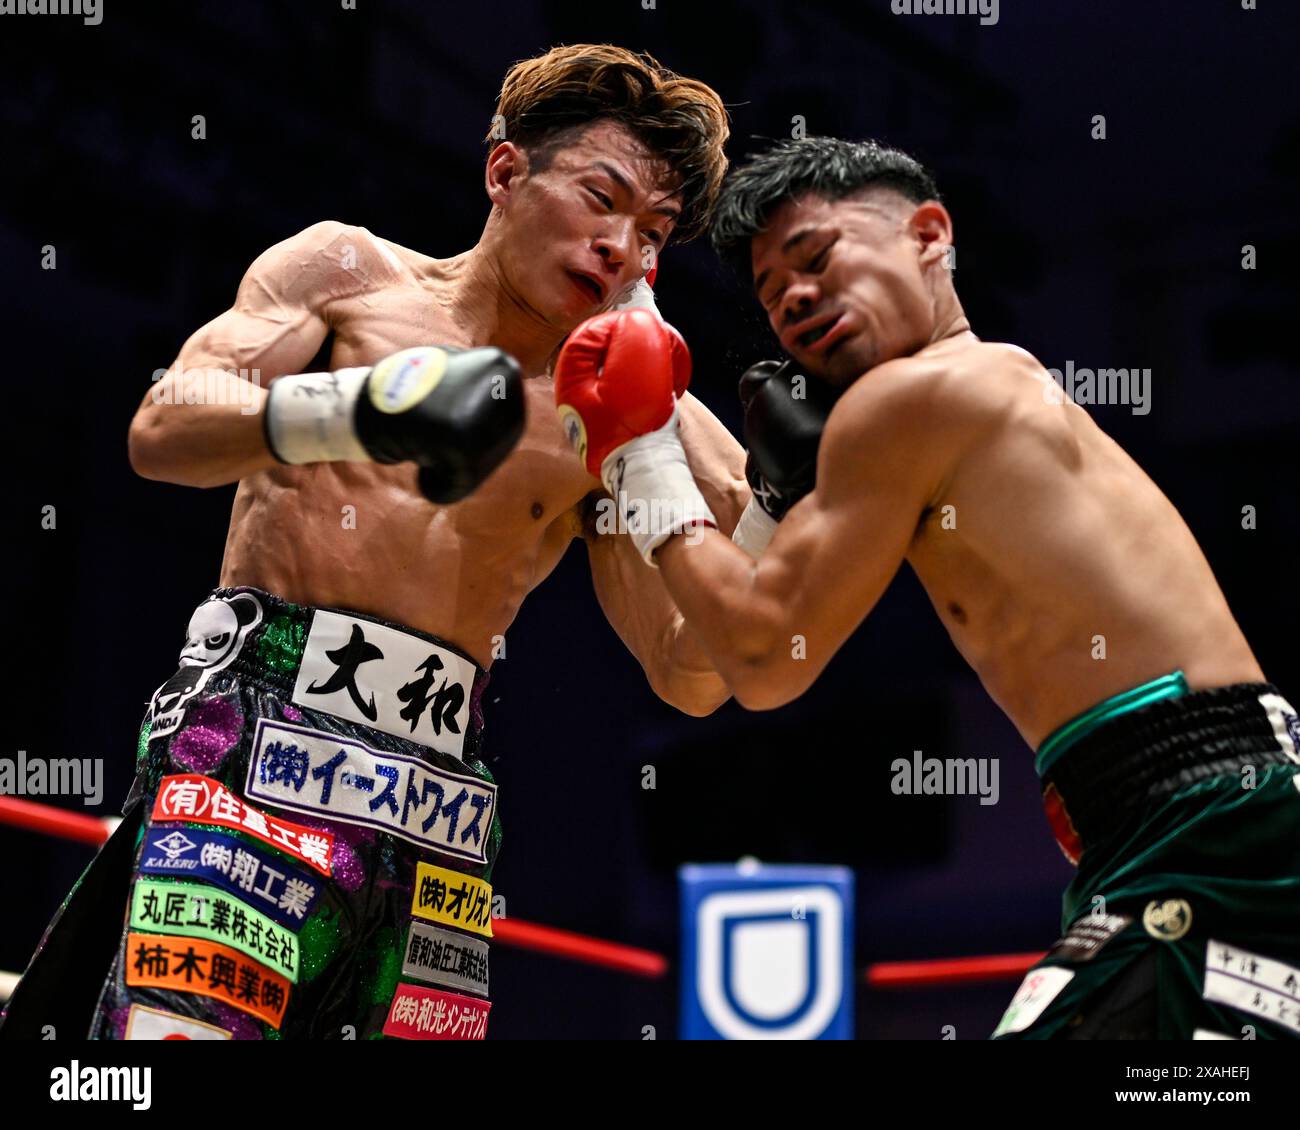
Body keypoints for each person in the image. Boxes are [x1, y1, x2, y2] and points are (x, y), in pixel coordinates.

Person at [0, 44, 745, 1041]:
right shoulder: (349, 271)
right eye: (599, 196)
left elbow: (686, 672)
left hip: (441, 810)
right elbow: (162, 428)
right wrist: (363, 408)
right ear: (505, 169)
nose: (620, 245)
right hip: (257, 738)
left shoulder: (601, 417)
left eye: (651, 233)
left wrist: (711, 471)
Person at [553, 136, 1300, 1040]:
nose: (794, 299)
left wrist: (637, 457)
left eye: (818, 258)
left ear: (929, 235)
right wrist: (775, 505)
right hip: (1208, 813)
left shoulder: (904, 402)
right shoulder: (993, 382)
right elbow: (715, 659)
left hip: (1196, 824)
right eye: (771, 294)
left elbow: (762, 654)